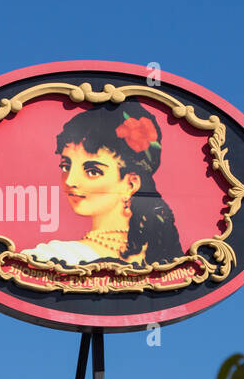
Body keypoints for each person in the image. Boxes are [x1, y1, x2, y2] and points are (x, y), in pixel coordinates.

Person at [24, 102, 183, 267]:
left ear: (131, 184)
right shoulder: (54, 256)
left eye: (92, 171)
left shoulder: (54, 258)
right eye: (66, 166)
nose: (70, 181)